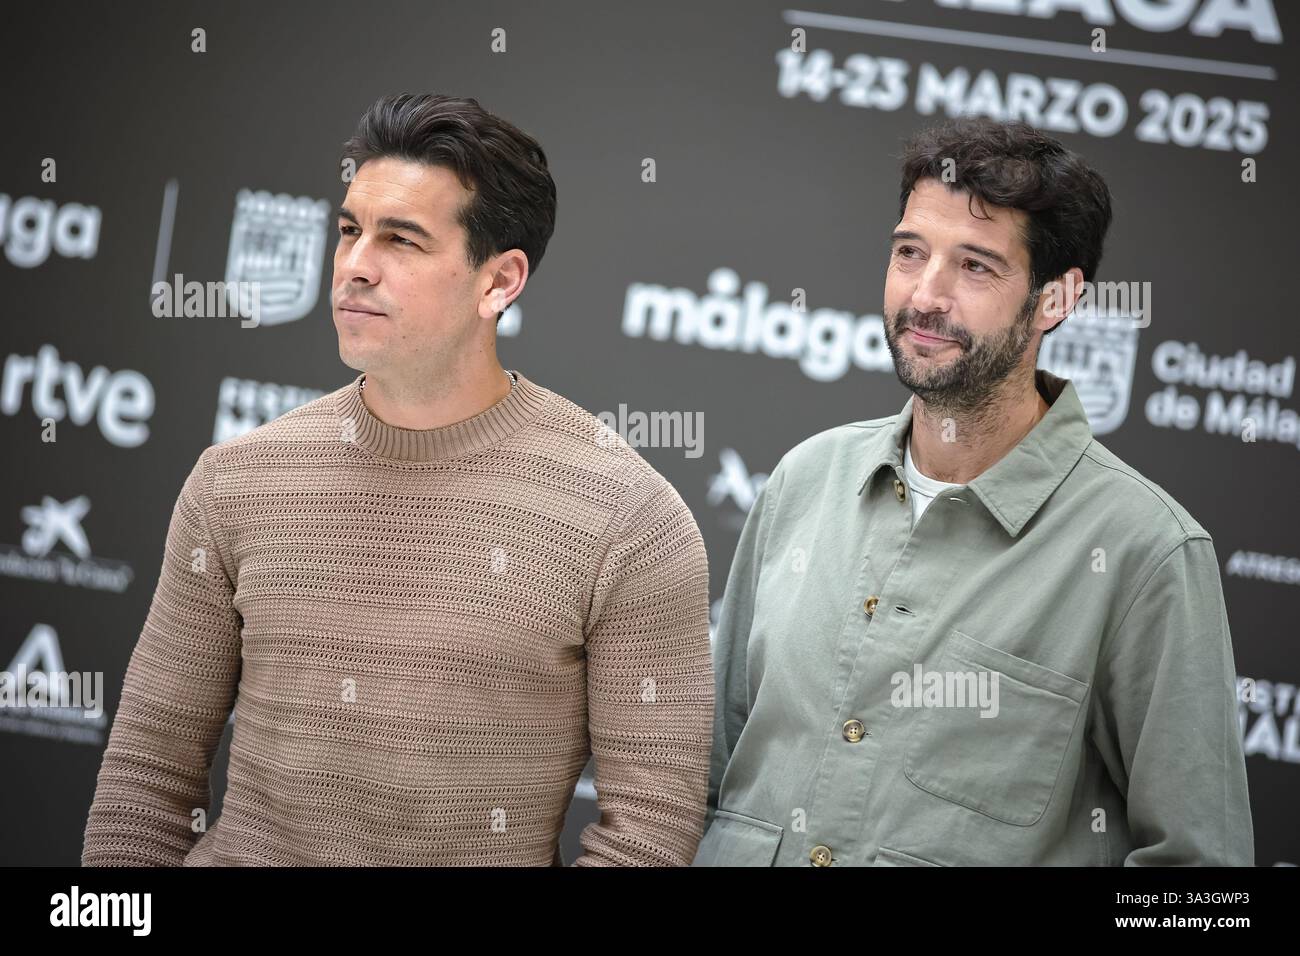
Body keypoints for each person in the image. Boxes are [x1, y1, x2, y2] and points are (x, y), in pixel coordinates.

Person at [82, 92, 713, 867]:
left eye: (401, 240)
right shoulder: (235, 481)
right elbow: (148, 779)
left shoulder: (629, 520)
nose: (354, 265)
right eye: (349, 230)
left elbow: (648, 833)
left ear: (499, 282)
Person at [693, 117, 1253, 867]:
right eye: (909, 253)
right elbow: (703, 783)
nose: (925, 296)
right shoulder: (805, 478)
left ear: (1056, 299)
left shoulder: (1145, 553)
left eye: (976, 267)